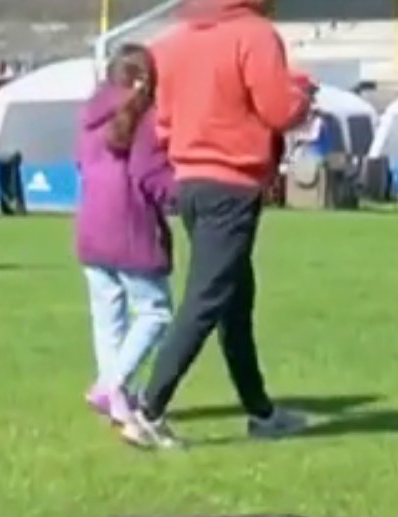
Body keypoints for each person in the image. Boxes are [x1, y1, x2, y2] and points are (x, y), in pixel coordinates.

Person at [120, 0, 313, 452]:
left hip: (191, 181)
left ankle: (260, 411)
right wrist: (301, 94)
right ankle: (149, 410)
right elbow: (279, 109)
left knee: (233, 299)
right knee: (208, 299)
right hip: (233, 181)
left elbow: (164, 123)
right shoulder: (254, 34)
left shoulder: (172, 44)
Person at [73, 43, 176, 426]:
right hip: (129, 228)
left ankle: (113, 392)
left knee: (108, 316)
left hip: (91, 229)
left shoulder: (88, 116)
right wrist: (190, 193)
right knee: (156, 312)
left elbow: (82, 164)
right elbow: (151, 175)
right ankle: (112, 385)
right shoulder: (143, 118)